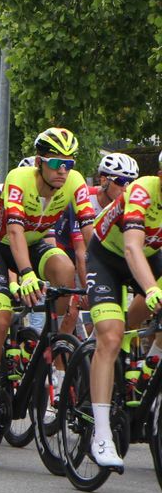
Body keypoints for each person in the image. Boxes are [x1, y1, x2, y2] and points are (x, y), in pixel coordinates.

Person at [0, 127, 94, 444]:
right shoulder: (18, 179)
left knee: (65, 270)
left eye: (68, 162)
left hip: (37, 243)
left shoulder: (75, 181)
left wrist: (95, 276)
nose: (62, 169)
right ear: (40, 162)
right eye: (55, 163)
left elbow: (89, 231)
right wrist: (24, 273)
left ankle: (55, 341)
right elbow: (13, 232)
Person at [83, 150, 162, 469]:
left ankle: (147, 362)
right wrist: (153, 289)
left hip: (150, 253)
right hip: (109, 257)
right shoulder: (141, 190)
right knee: (111, 339)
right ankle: (101, 433)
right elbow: (131, 247)